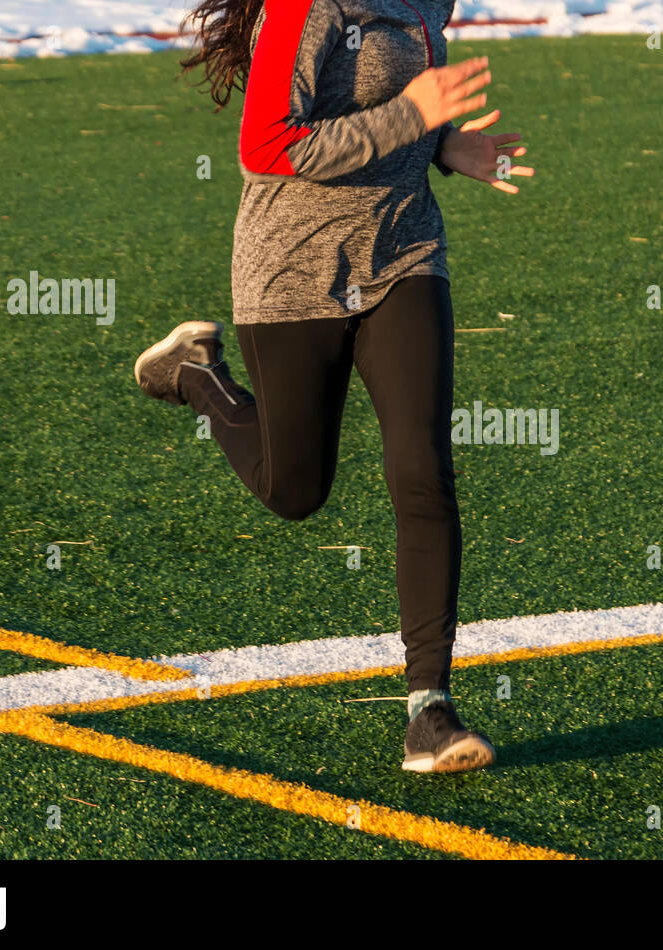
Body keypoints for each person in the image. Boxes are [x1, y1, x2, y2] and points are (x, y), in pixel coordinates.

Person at [134, 0, 533, 772]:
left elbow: (399, 120)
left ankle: (430, 710)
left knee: (423, 469)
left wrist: (445, 146)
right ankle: (196, 377)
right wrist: (413, 113)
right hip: (292, 269)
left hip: (403, 253)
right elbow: (267, 143)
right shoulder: (304, 6)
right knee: (295, 492)